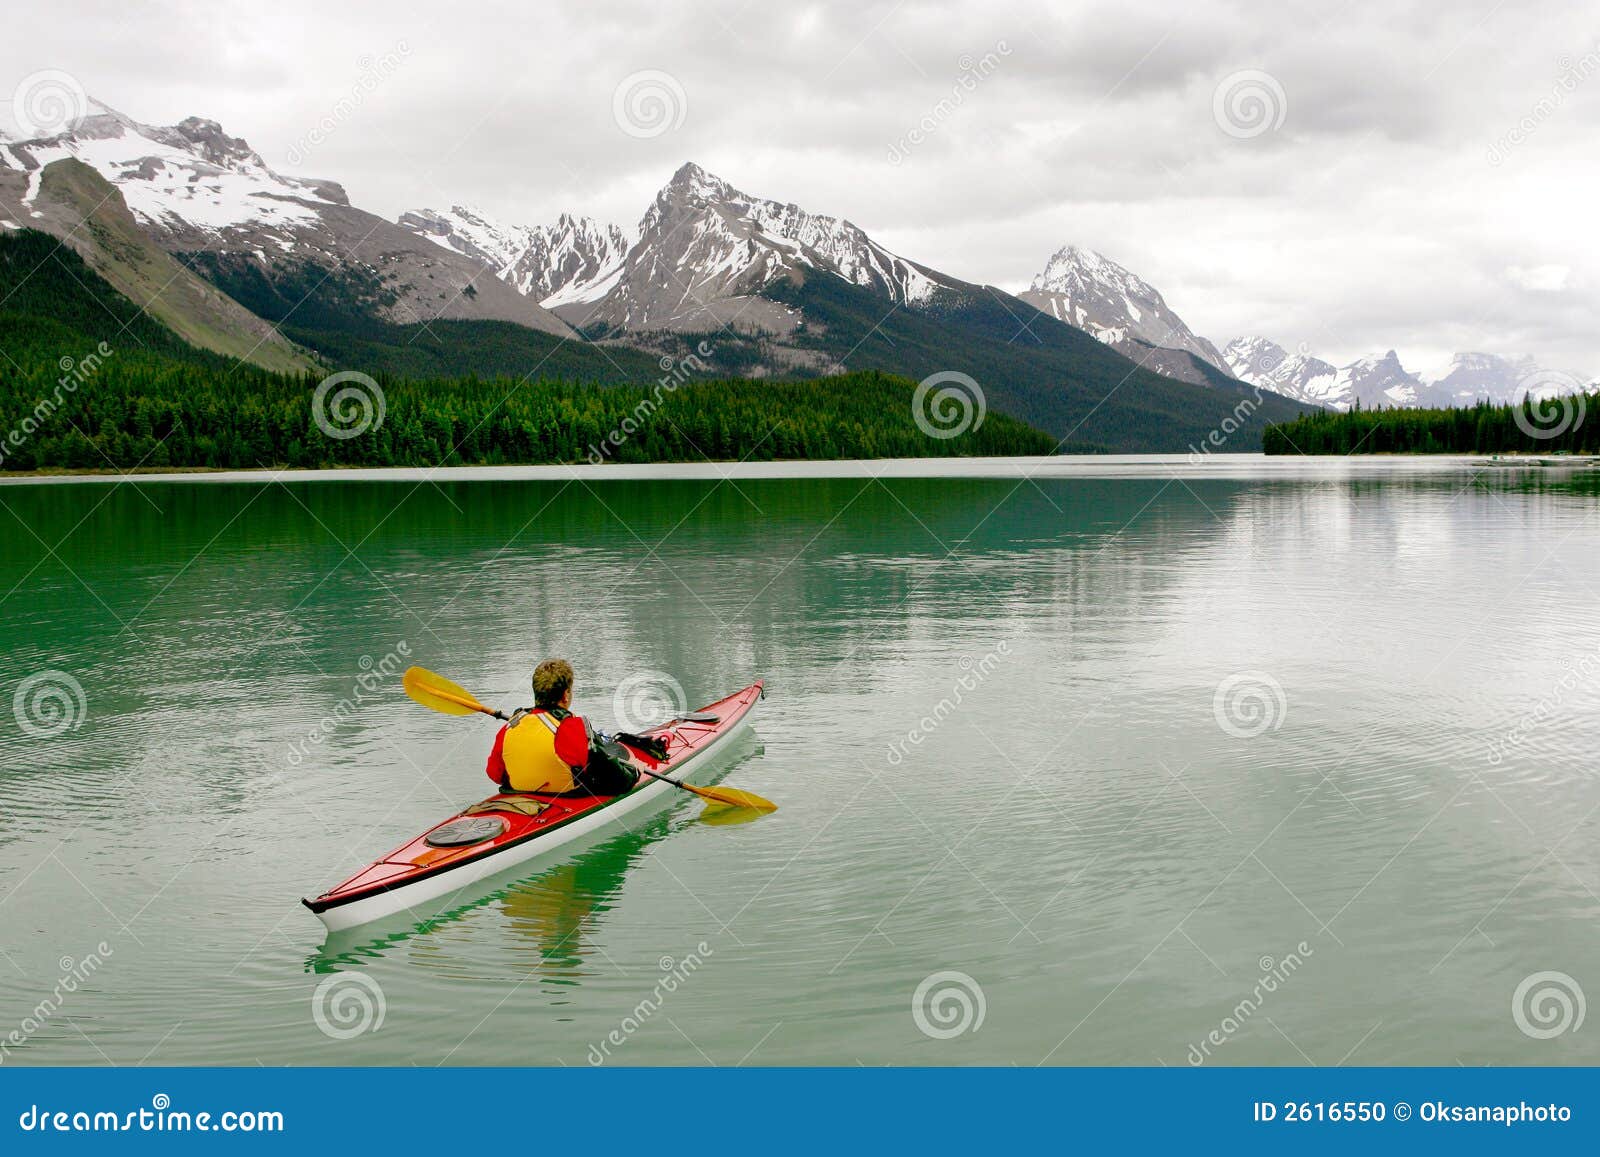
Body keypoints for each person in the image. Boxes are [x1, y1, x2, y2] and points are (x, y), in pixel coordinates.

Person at [485, 659, 639, 796]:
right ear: (566, 695)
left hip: (519, 795)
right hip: (568, 796)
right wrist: (635, 772)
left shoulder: (510, 727)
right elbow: (615, 778)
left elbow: (494, 775)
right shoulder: (572, 727)